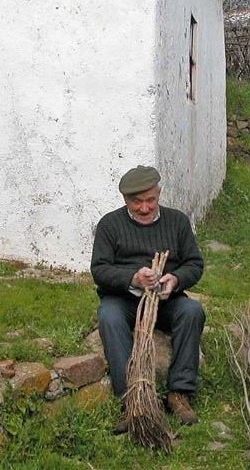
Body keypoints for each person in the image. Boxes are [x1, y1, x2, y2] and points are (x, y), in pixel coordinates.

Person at [91, 165, 206, 433]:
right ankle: (131, 398)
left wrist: (175, 279)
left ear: (159, 194)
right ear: (125, 200)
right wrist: (132, 278)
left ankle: (179, 393)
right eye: (136, 202)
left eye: (150, 200)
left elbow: (194, 264)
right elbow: (100, 269)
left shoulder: (177, 221)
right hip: (125, 300)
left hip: (166, 300)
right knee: (109, 317)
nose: (145, 208)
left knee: (192, 311)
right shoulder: (110, 224)